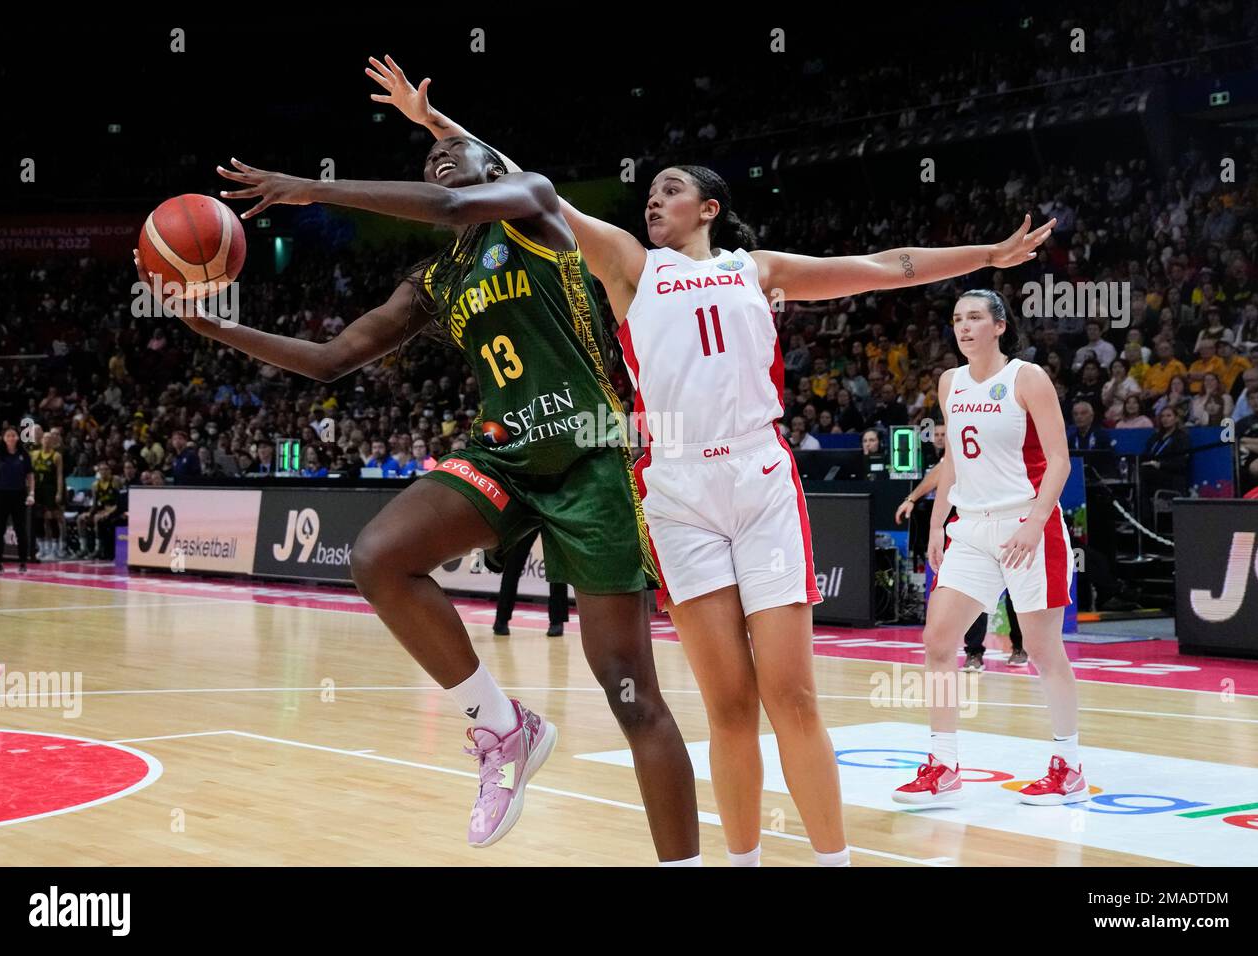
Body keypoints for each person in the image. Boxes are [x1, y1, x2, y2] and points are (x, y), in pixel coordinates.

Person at [365, 55, 1055, 864]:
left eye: (669, 189)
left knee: (790, 696)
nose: (653, 199)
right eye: (649, 191)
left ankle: (832, 861)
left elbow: (885, 268)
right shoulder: (628, 265)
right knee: (728, 705)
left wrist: (986, 257)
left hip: (760, 479)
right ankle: (742, 861)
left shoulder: (754, 271)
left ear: (709, 208)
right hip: (677, 490)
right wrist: (440, 127)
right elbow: (529, 182)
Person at [151, 124, 701, 864]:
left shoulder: (533, 205)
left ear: (490, 163)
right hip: (503, 456)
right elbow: (330, 360)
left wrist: (311, 187)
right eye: (428, 157)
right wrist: (215, 326)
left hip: (590, 457)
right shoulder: (435, 282)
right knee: (379, 555)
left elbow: (447, 206)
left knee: (630, 693)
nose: (439, 160)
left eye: (453, 151)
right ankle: (504, 728)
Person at [896, 290, 1087, 806]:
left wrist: (1035, 523)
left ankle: (1069, 766)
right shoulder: (949, 383)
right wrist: (938, 522)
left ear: (1000, 326)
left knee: (1044, 651)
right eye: (957, 319)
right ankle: (943, 763)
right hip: (972, 528)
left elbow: (1060, 461)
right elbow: (954, 458)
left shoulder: (1027, 378)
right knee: (938, 642)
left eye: (975, 317)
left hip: (1028, 521)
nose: (964, 327)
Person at [895, 456, 1027, 672]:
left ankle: (1020, 646)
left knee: (1016, 594)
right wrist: (913, 499)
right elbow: (945, 467)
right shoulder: (963, 432)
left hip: (1013, 519)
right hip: (973, 523)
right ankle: (974, 652)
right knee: (969, 593)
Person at [492, 527, 569, 637]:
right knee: (513, 564)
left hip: (552, 511)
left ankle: (557, 621)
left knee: (557, 565)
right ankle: (501, 619)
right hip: (530, 510)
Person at [0, 427, 34, 572]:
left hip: (19, 494)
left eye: (13, 435)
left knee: (20, 529)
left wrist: (32, 493)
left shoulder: (23, 454)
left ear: (17, 437)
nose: (11, 438)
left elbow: (30, 475)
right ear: (4, 438)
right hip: (1, 495)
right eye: (8, 435)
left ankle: (23, 562)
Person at [1139, 405, 1191, 530]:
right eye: (1162, 416)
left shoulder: (1181, 438)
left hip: (1171, 478)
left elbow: (1181, 464)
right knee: (1140, 473)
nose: (1165, 419)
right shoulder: (1155, 438)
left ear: (1176, 418)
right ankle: (1140, 515)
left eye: (1169, 416)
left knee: (1144, 473)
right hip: (1151, 476)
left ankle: (1146, 520)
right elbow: (1145, 456)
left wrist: (1159, 465)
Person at [74, 462, 123, 559]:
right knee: (81, 519)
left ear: (110, 471)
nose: (104, 472)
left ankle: (98, 549)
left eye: (106, 469)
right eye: (102, 470)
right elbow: (95, 504)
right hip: (103, 510)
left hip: (115, 509)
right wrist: (89, 513)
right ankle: (83, 548)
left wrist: (109, 512)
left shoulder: (115, 481)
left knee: (97, 518)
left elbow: (121, 501)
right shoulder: (95, 485)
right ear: (99, 472)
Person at [31, 428, 65, 560]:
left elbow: (59, 476)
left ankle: (55, 549)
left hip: (50, 489)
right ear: (41, 440)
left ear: (52, 441)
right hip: (38, 489)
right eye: (45, 438)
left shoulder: (56, 456)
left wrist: (59, 492)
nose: (47, 440)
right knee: (38, 518)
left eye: (49, 438)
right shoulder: (34, 454)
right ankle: (42, 548)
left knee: (51, 517)